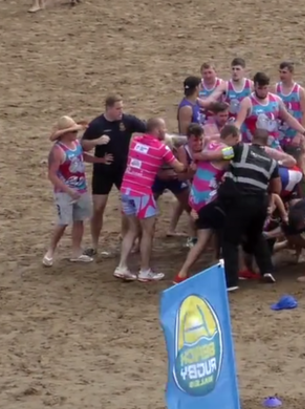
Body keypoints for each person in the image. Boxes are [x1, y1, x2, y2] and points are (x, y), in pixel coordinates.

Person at [193, 127, 293, 291]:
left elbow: (219, 155)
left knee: (230, 240)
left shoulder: (240, 149)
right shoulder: (271, 162)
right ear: (266, 143)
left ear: (252, 138)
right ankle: (267, 270)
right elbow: (276, 188)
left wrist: (199, 156)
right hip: (260, 202)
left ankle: (231, 281)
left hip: (239, 200)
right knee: (256, 235)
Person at [114, 117, 186, 281]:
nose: (165, 131)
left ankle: (122, 266)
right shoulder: (161, 148)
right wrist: (183, 156)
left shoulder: (135, 142)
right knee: (148, 231)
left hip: (127, 189)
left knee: (132, 230)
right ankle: (145, 270)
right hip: (142, 193)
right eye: (164, 128)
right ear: (158, 130)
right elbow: (179, 167)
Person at [81, 95, 147, 258]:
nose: (121, 111)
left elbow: (147, 129)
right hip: (103, 170)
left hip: (123, 170)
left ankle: (126, 236)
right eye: (118, 108)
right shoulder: (97, 124)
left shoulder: (127, 121)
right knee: (98, 208)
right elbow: (83, 145)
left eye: (122, 108)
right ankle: (94, 244)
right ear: (109, 108)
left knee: (128, 205)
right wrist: (97, 141)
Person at [173, 124, 236, 283]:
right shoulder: (217, 150)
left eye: (200, 140)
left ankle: (183, 272)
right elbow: (232, 152)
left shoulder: (209, 146)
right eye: (195, 141)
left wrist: (202, 156)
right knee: (226, 230)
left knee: (205, 238)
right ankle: (220, 262)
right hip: (207, 201)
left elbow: (225, 152)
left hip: (199, 199)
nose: (198, 143)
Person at [44, 116, 108, 266]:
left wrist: (100, 160)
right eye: (73, 131)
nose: (76, 133)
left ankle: (76, 251)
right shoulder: (58, 151)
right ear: (64, 134)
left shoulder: (75, 144)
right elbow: (52, 175)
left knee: (79, 220)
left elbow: (82, 156)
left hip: (80, 189)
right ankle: (50, 251)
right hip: (65, 193)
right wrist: (68, 190)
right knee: (63, 222)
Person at [238, 71, 305, 146]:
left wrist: (304, 132)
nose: (263, 92)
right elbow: (238, 123)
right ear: (255, 87)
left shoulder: (276, 100)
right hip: (253, 146)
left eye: (265, 88)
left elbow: (288, 118)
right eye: (260, 88)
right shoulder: (247, 102)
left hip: (273, 145)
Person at [275, 61, 305, 168]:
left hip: (293, 134)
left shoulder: (299, 91)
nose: (281, 75)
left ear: (291, 73)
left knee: (298, 164)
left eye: (284, 72)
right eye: (280, 72)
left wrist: (299, 134)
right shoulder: (276, 89)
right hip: (279, 134)